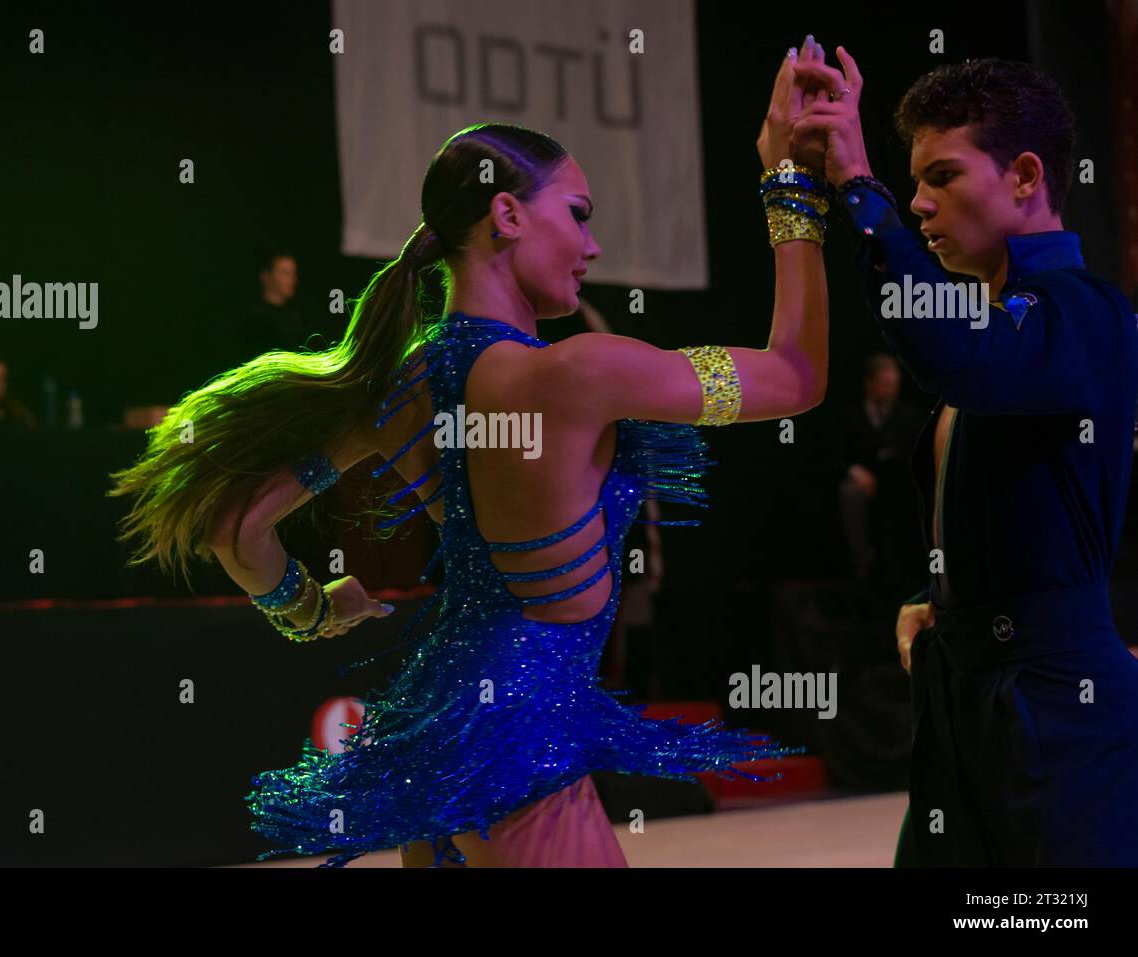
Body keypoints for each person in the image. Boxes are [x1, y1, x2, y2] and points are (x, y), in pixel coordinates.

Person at [109, 38, 834, 867]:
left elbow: (235, 527)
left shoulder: (397, 386)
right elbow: (798, 375)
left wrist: (307, 608)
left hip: (440, 735)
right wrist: (790, 181)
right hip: (519, 746)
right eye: (579, 214)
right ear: (508, 215)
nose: (593, 246)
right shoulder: (578, 373)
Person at [794, 50, 1138, 864]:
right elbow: (1017, 499)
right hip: (966, 695)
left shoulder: (1086, 312)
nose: (918, 202)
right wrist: (943, 596)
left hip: (1056, 707)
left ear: (1025, 176)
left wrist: (858, 185)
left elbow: (960, 353)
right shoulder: (1006, 326)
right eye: (913, 182)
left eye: (943, 176)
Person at [838, 353, 923, 587]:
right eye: (885, 385)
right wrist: (855, 471)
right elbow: (835, 455)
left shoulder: (908, 415)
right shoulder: (850, 416)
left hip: (899, 482)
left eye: (894, 385)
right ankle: (862, 566)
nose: (891, 391)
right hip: (862, 480)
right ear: (870, 384)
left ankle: (905, 569)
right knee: (851, 494)